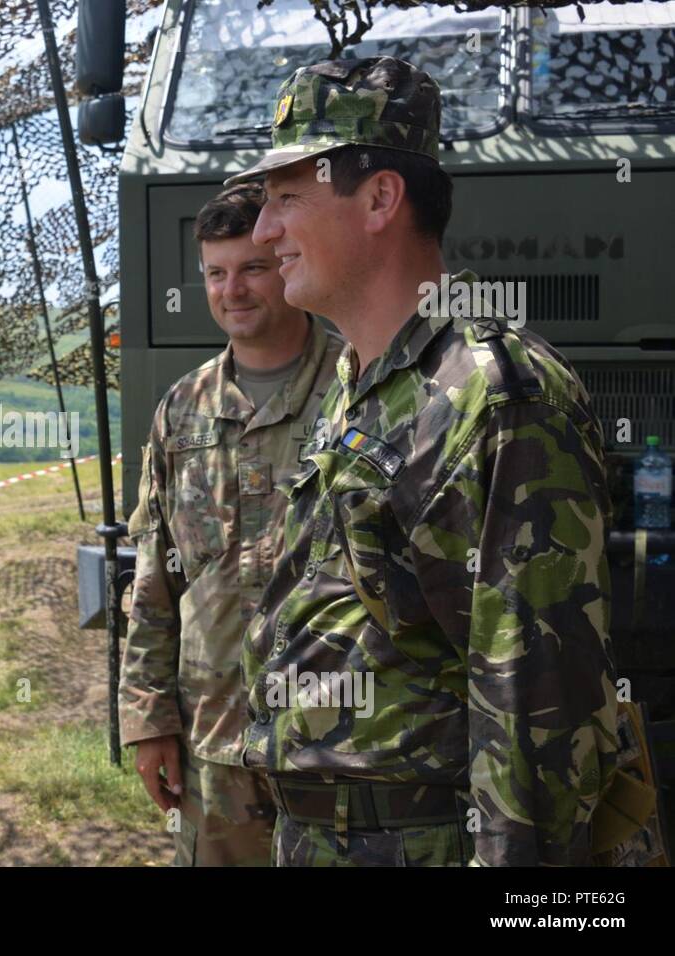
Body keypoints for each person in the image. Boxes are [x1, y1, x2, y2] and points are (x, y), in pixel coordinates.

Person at [228, 57, 616, 866]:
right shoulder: (361, 380)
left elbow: (538, 707)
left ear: (379, 200)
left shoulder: (495, 393)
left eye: (287, 197)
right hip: (324, 837)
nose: (263, 232)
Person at [118, 183, 342, 866]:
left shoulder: (357, 387)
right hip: (216, 746)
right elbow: (155, 581)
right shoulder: (181, 412)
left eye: (250, 268)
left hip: (341, 745)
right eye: (215, 273)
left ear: (286, 266)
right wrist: (149, 720)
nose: (231, 290)